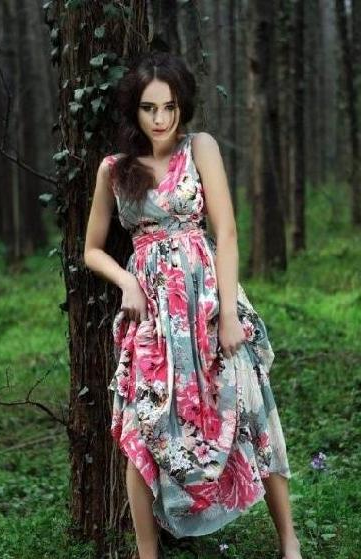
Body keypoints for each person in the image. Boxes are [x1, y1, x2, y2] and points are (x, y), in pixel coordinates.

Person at [84, 51, 302, 559]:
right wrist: (126, 282)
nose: (160, 119)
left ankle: (289, 541)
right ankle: (147, 554)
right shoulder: (115, 169)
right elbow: (92, 249)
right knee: (141, 426)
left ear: (182, 106)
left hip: (207, 301)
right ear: (134, 110)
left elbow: (226, 231)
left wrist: (227, 313)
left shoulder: (199, 147)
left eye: (170, 107)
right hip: (151, 315)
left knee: (251, 405)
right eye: (149, 108)